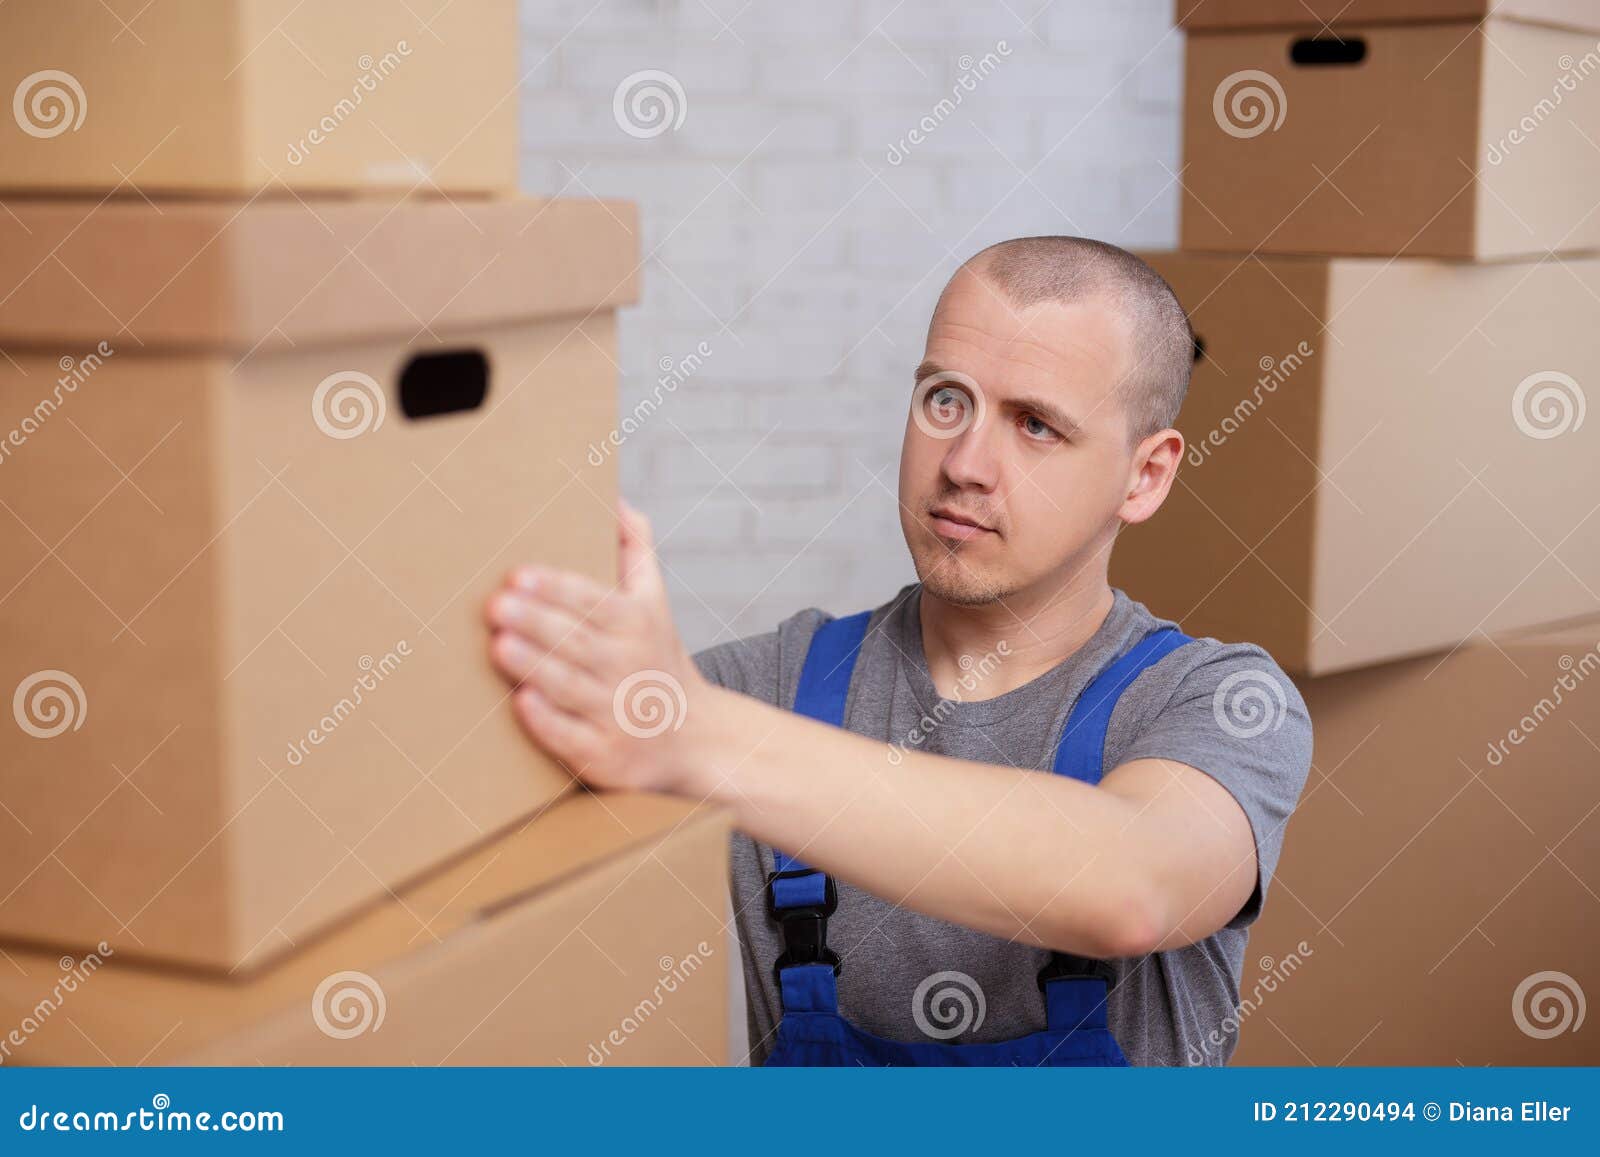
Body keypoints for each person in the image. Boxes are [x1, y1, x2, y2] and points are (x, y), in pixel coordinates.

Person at [483, 236, 1313, 1066]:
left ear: (1146, 477)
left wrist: (693, 736)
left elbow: (1135, 886)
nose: (964, 464)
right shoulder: (771, 685)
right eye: (945, 400)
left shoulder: (1216, 702)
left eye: (1035, 425)